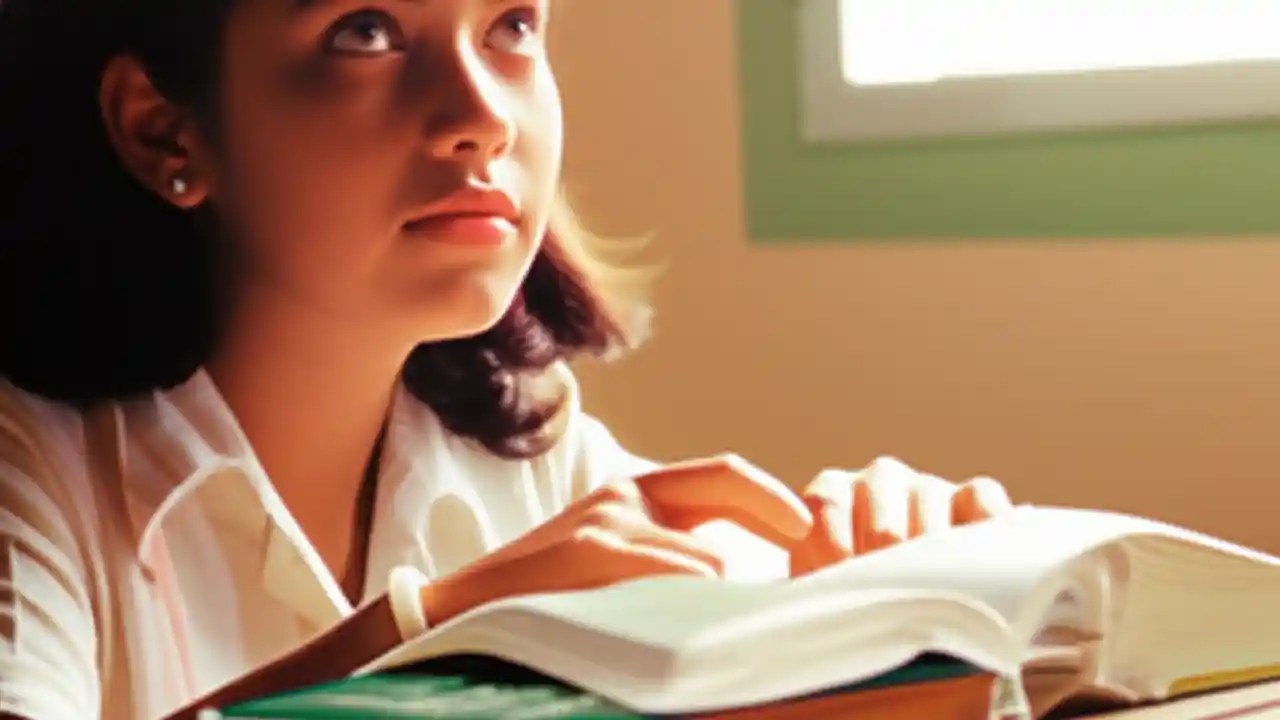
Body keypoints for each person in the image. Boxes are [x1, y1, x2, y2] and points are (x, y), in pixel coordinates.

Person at [0, 1, 1016, 718]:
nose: (482, 113)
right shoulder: (30, 468)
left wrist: (885, 600)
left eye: (512, 27)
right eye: (366, 31)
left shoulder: (538, 453)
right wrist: (434, 633)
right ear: (159, 125)